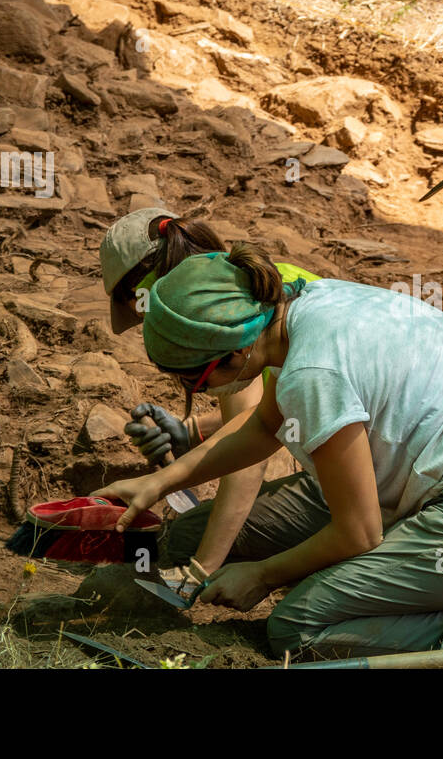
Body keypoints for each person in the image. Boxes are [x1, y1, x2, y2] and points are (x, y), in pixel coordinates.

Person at [92, 247, 443, 658]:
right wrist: (159, 483)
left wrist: (264, 574)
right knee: (194, 540)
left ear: (234, 353)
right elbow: (265, 427)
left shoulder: (312, 372)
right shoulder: (307, 307)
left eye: (196, 380)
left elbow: (359, 532)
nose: (203, 395)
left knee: (296, 628)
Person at [99, 207, 318, 574]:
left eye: (141, 314)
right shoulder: (247, 278)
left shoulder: (216, 322)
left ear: (147, 291)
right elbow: (270, 410)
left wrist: (202, 568)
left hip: (379, 476)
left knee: (184, 539)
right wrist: (192, 431)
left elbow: (251, 457)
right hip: (375, 450)